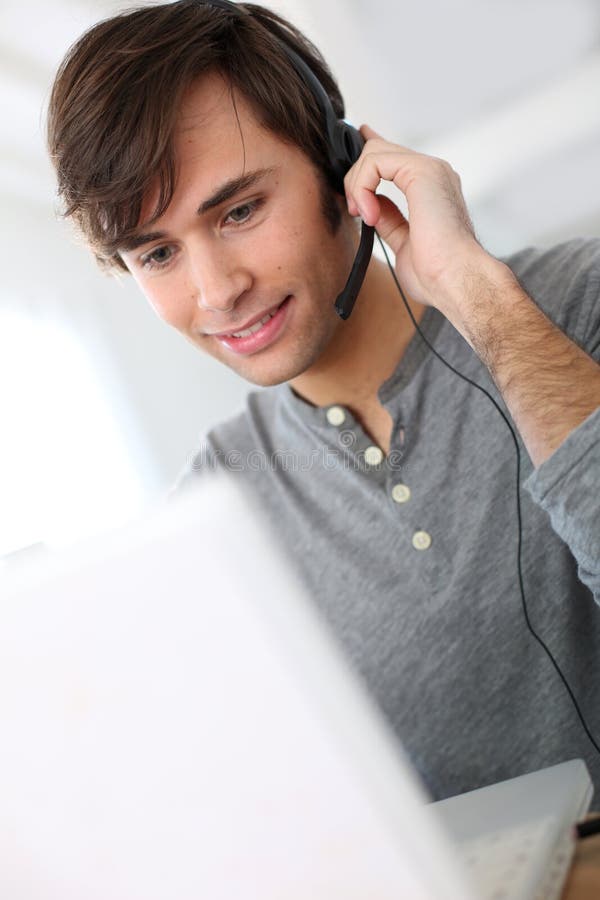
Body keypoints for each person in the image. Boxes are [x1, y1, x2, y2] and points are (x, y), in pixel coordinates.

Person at [47, 0, 600, 801]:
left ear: (342, 167)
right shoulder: (215, 511)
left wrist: (478, 296)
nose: (216, 292)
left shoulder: (576, 305)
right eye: (158, 253)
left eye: (239, 211)